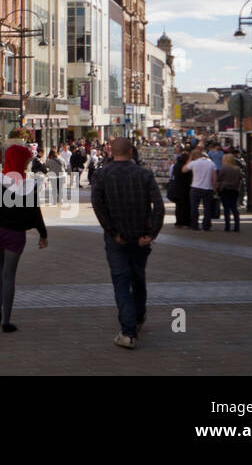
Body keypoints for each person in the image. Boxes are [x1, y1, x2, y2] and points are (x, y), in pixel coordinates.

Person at [90, 136, 165, 349]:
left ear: (111, 152)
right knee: (138, 277)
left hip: (117, 238)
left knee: (121, 280)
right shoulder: (144, 174)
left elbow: (98, 206)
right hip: (140, 236)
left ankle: (128, 332)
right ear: (131, 151)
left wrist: (113, 231)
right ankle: (138, 317)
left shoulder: (102, 175)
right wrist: (151, 233)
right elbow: (159, 206)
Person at [0, 144, 47, 333]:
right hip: (15, 233)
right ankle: (6, 320)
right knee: (9, 275)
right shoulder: (28, 184)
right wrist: (42, 233)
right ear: (21, 161)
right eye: (27, 159)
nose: (28, 162)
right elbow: (35, 212)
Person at [182, 146, 217, 231]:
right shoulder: (211, 163)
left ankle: (194, 225)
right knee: (207, 208)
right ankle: (206, 225)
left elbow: (183, 170)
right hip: (208, 188)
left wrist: (189, 159)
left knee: (194, 208)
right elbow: (215, 178)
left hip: (195, 187)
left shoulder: (194, 163)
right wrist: (214, 188)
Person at [217, 152, 242, 232]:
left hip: (225, 189)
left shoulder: (224, 168)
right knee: (234, 208)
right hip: (234, 190)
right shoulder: (237, 169)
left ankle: (227, 226)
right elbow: (240, 178)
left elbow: (219, 178)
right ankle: (237, 226)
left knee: (226, 209)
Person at [171, 146, 193, 228]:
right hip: (186, 188)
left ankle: (179, 222)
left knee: (179, 206)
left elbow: (173, 175)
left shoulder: (176, 166)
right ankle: (187, 222)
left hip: (177, 188)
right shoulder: (187, 167)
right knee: (187, 206)